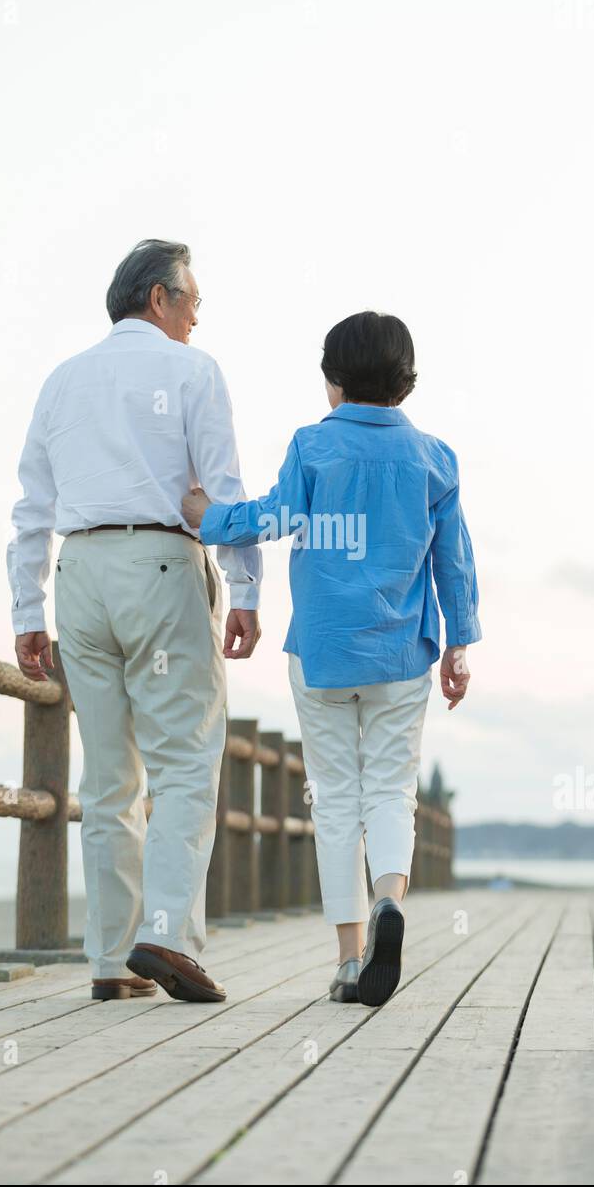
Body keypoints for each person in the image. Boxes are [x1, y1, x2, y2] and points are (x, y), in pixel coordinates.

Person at [181, 310, 480, 1007]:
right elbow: (454, 561)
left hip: (321, 652)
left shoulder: (314, 446)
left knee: (336, 798)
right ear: (405, 381)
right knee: (392, 791)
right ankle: (390, 902)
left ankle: (350, 959)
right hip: (404, 652)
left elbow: (275, 518)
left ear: (333, 381)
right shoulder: (435, 458)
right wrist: (458, 644)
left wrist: (208, 516)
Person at [7, 239, 262, 1004]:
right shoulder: (193, 371)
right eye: (192, 302)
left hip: (78, 575)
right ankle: (166, 933)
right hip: (160, 568)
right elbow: (223, 491)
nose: (195, 319)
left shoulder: (62, 381)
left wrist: (27, 607)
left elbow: (30, 508)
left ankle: (113, 963)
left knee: (110, 776)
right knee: (185, 763)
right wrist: (245, 587)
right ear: (160, 299)